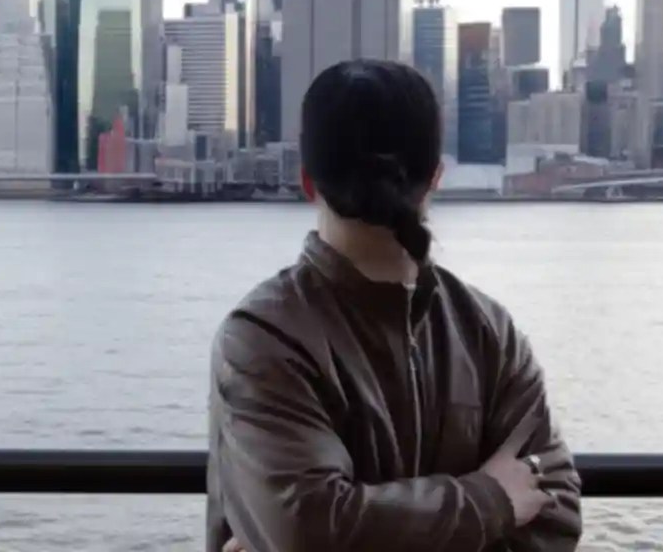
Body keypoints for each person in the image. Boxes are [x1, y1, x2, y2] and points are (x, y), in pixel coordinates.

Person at [206, 59, 581, 552]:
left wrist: (350, 522)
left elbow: (307, 532)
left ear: (308, 180)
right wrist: (492, 500)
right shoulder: (490, 333)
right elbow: (311, 530)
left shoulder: (259, 338)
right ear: (436, 177)